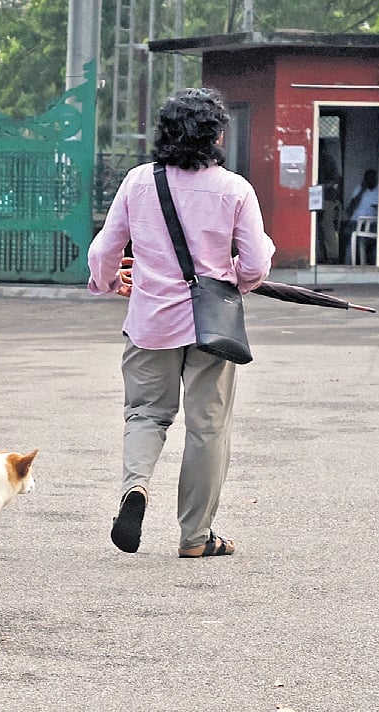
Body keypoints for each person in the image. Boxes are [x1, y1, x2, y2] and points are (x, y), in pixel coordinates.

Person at [87, 88, 274, 558]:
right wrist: (235, 281)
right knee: (208, 426)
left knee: (146, 414)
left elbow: (104, 252)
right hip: (213, 325)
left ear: (165, 133)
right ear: (216, 135)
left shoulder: (138, 182)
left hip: (150, 320)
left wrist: (109, 283)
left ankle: (136, 487)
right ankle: (195, 537)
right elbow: (255, 264)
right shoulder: (235, 189)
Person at [343, 168, 379, 263]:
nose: (371, 180)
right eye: (368, 178)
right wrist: (362, 191)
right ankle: (348, 265)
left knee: (374, 243)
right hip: (356, 221)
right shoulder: (358, 189)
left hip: (372, 223)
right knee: (351, 241)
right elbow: (350, 207)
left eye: (373, 178)